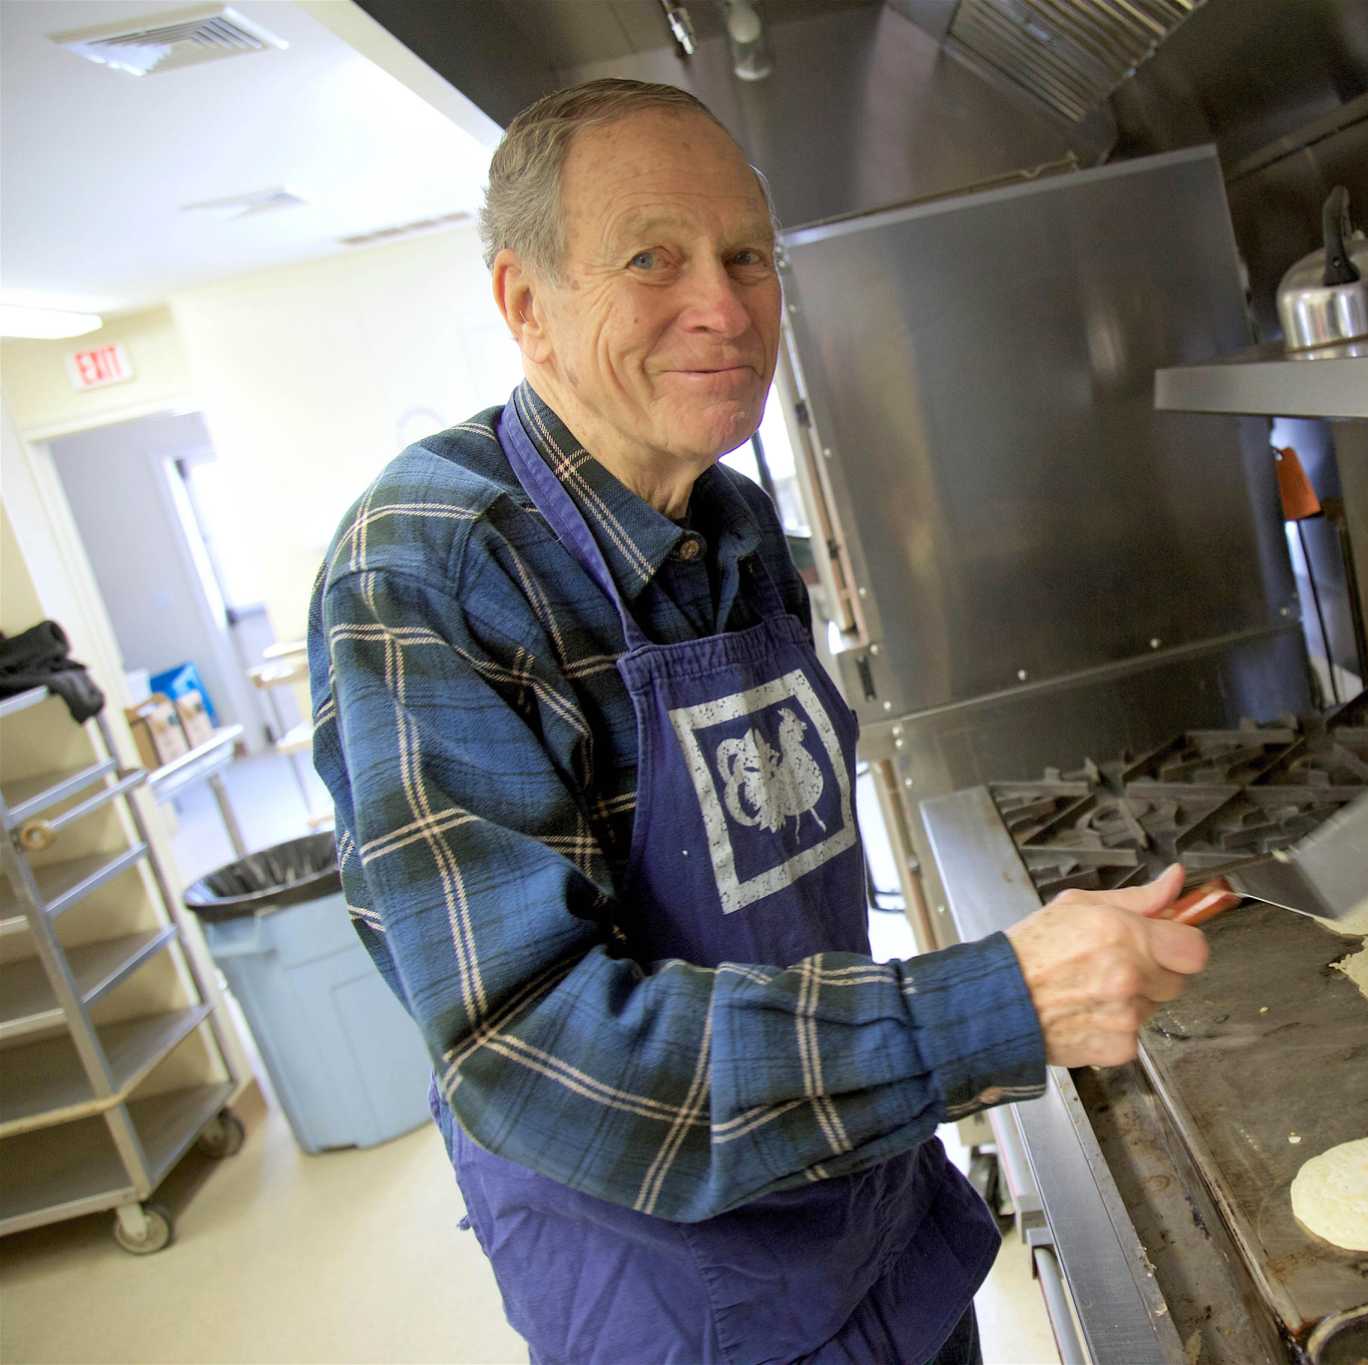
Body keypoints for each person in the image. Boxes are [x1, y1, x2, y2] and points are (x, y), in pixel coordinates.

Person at [309, 78, 1211, 1365]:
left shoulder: (730, 523)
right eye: (650, 258)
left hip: (867, 1206)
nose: (725, 309)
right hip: (685, 1302)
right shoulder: (435, 572)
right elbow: (531, 1050)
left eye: (747, 257)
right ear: (526, 304)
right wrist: (990, 1007)